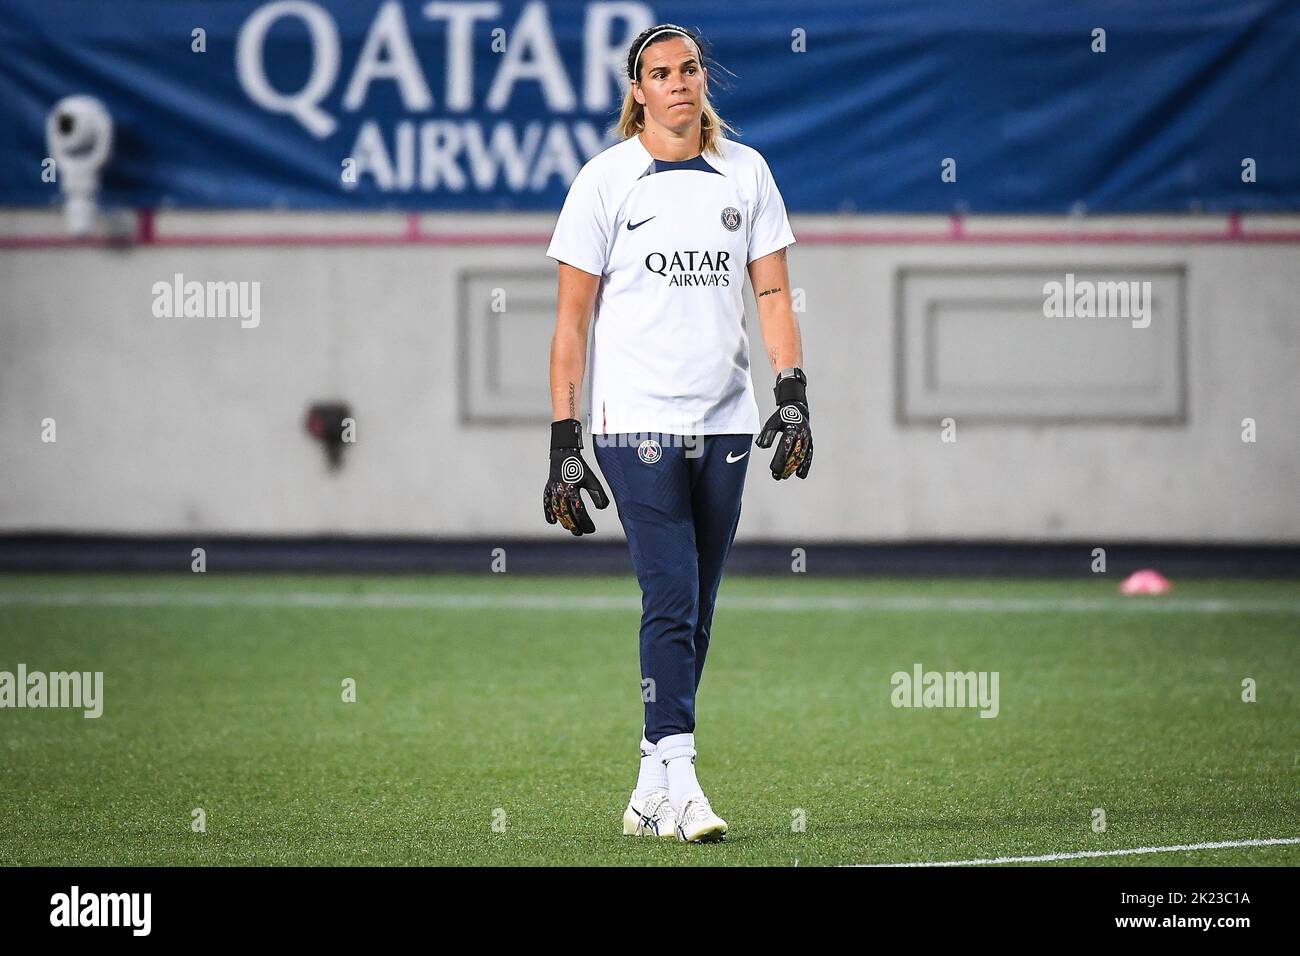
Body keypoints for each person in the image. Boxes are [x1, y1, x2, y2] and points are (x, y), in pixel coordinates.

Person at [543, 23, 812, 843]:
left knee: (696, 609)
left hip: (726, 421)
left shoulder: (748, 173)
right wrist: (565, 439)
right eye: (659, 73)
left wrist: (792, 393)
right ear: (637, 91)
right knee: (669, 594)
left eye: (689, 69)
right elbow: (572, 321)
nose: (679, 83)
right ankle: (686, 783)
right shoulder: (605, 181)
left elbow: (771, 297)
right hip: (637, 426)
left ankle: (646, 783)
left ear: (703, 79)